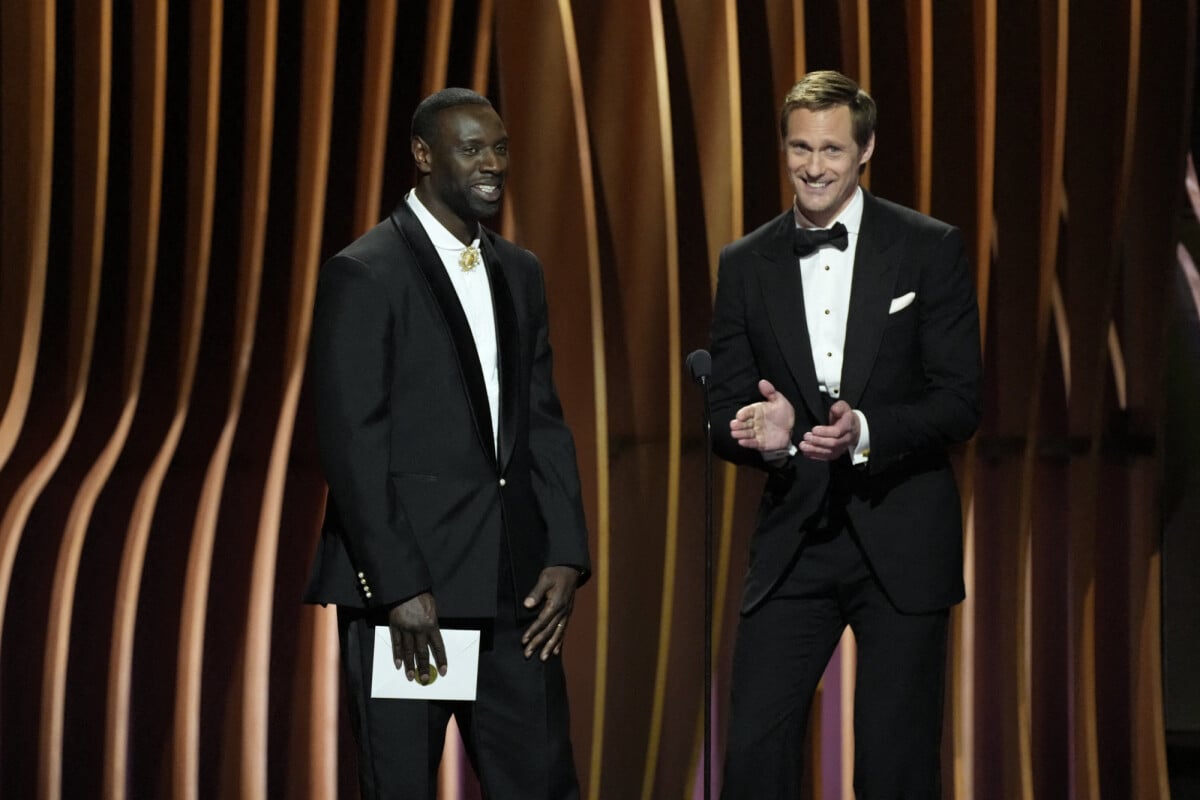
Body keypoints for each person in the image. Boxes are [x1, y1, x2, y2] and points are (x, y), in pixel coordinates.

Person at [304, 87, 591, 800]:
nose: (492, 164)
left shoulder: (519, 271)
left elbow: (543, 420)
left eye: (499, 147)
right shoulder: (367, 270)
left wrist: (565, 549)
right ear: (425, 156)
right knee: (401, 785)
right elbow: (353, 444)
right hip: (417, 606)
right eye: (472, 149)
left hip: (513, 595)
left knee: (541, 784)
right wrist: (399, 587)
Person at [709, 70, 982, 798]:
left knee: (896, 766)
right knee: (753, 758)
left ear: (865, 151)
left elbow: (961, 401)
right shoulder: (744, 264)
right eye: (800, 148)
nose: (813, 166)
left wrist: (865, 429)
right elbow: (725, 412)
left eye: (831, 150)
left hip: (903, 534)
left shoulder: (928, 248)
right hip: (796, 538)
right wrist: (761, 436)